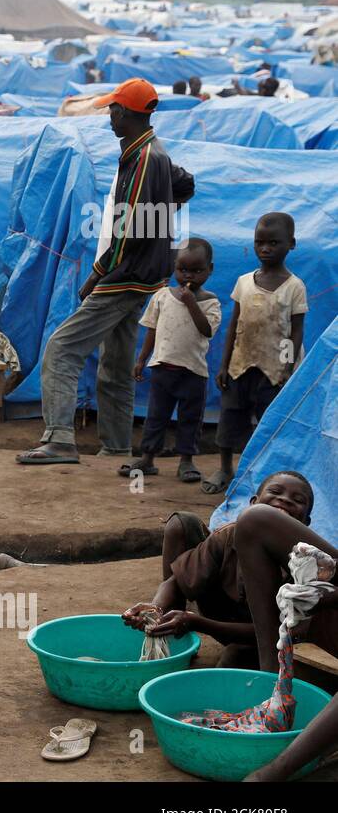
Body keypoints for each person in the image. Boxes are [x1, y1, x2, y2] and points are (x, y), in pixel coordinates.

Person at [18, 78, 195, 465]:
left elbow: (128, 231)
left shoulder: (145, 160)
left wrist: (97, 274)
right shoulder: (150, 151)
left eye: (113, 109)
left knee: (62, 349)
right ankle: (116, 447)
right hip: (144, 277)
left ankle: (60, 439)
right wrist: (163, 219)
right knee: (115, 364)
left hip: (125, 275)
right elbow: (186, 185)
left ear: (127, 113)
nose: (109, 115)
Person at [121, 471, 323, 672]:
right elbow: (175, 582)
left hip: (262, 635)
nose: (284, 500)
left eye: (297, 500)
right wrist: (155, 609)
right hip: (222, 611)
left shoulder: (308, 563)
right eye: (276, 491)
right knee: (182, 523)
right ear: (253, 503)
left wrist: (200, 623)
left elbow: (281, 631)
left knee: (235, 658)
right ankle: (170, 633)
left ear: (305, 523)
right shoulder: (229, 535)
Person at [203, 212, 307, 495]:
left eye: (274, 242)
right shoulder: (244, 282)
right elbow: (233, 326)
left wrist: (287, 367)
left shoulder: (294, 287)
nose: (265, 249)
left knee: (268, 422)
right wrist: (224, 364)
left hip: (274, 371)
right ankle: (225, 468)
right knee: (230, 417)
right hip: (240, 364)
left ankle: (265, 476)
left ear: (291, 244)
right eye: (260, 242)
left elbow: (295, 331)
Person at [123, 238, 220, 483]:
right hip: (162, 369)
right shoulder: (162, 296)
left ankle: (186, 461)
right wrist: (141, 358)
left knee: (190, 419)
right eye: (183, 269)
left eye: (197, 271)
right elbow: (152, 330)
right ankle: (147, 458)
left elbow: (206, 330)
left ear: (210, 269)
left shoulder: (211, 302)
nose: (189, 275)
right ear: (174, 267)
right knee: (156, 416)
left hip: (193, 373)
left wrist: (191, 303)